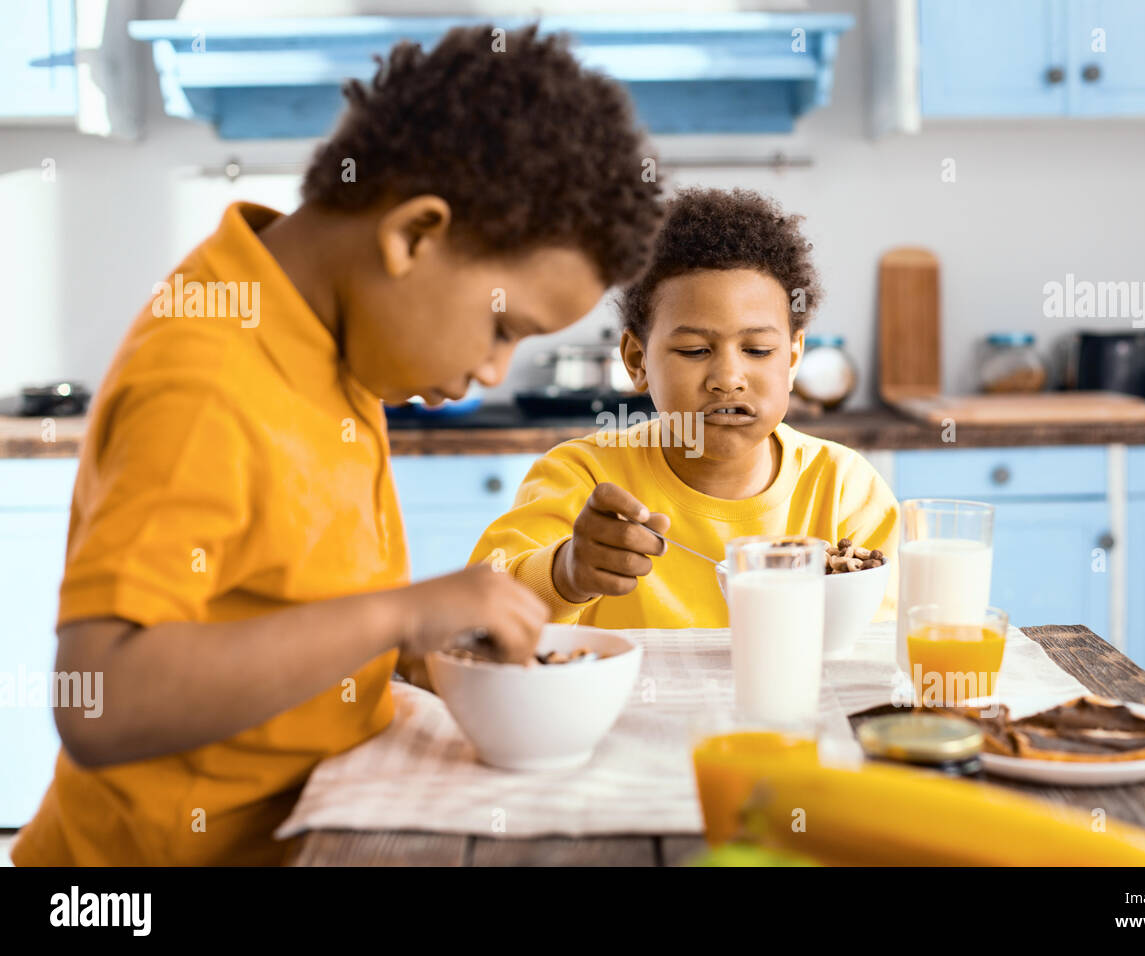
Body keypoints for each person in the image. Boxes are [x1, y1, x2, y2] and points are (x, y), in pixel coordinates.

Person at [12, 25, 663, 866]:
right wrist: (403, 611)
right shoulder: (205, 379)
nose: (492, 368)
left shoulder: (330, 340)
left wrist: (420, 646)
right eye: (502, 327)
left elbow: (282, 607)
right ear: (413, 236)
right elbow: (101, 702)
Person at [471, 187, 899, 629]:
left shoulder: (845, 490)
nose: (728, 378)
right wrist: (566, 574)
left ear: (792, 359)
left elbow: (878, 656)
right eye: (695, 350)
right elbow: (475, 619)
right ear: (637, 361)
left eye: (756, 349)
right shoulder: (581, 478)